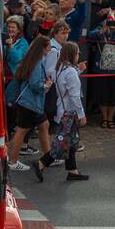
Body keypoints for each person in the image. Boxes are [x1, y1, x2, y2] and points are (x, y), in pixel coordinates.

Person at [32, 41, 87, 181]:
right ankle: (41, 163)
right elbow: (74, 95)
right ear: (72, 54)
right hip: (69, 113)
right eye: (77, 52)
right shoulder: (70, 71)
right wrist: (81, 114)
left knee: (72, 141)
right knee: (62, 144)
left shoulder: (59, 68)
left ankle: (73, 171)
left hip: (62, 110)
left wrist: (78, 70)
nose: (79, 55)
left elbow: (65, 82)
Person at [6, 35, 51, 171]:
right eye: (48, 46)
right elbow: (35, 84)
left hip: (30, 103)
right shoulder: (37, 62)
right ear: (42, 48)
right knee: (22, 130)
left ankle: (49, 157)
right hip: (30, 103)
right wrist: (46, 85)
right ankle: (13, 161)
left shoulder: (32, 60)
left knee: (43, 125)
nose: (50, 48)